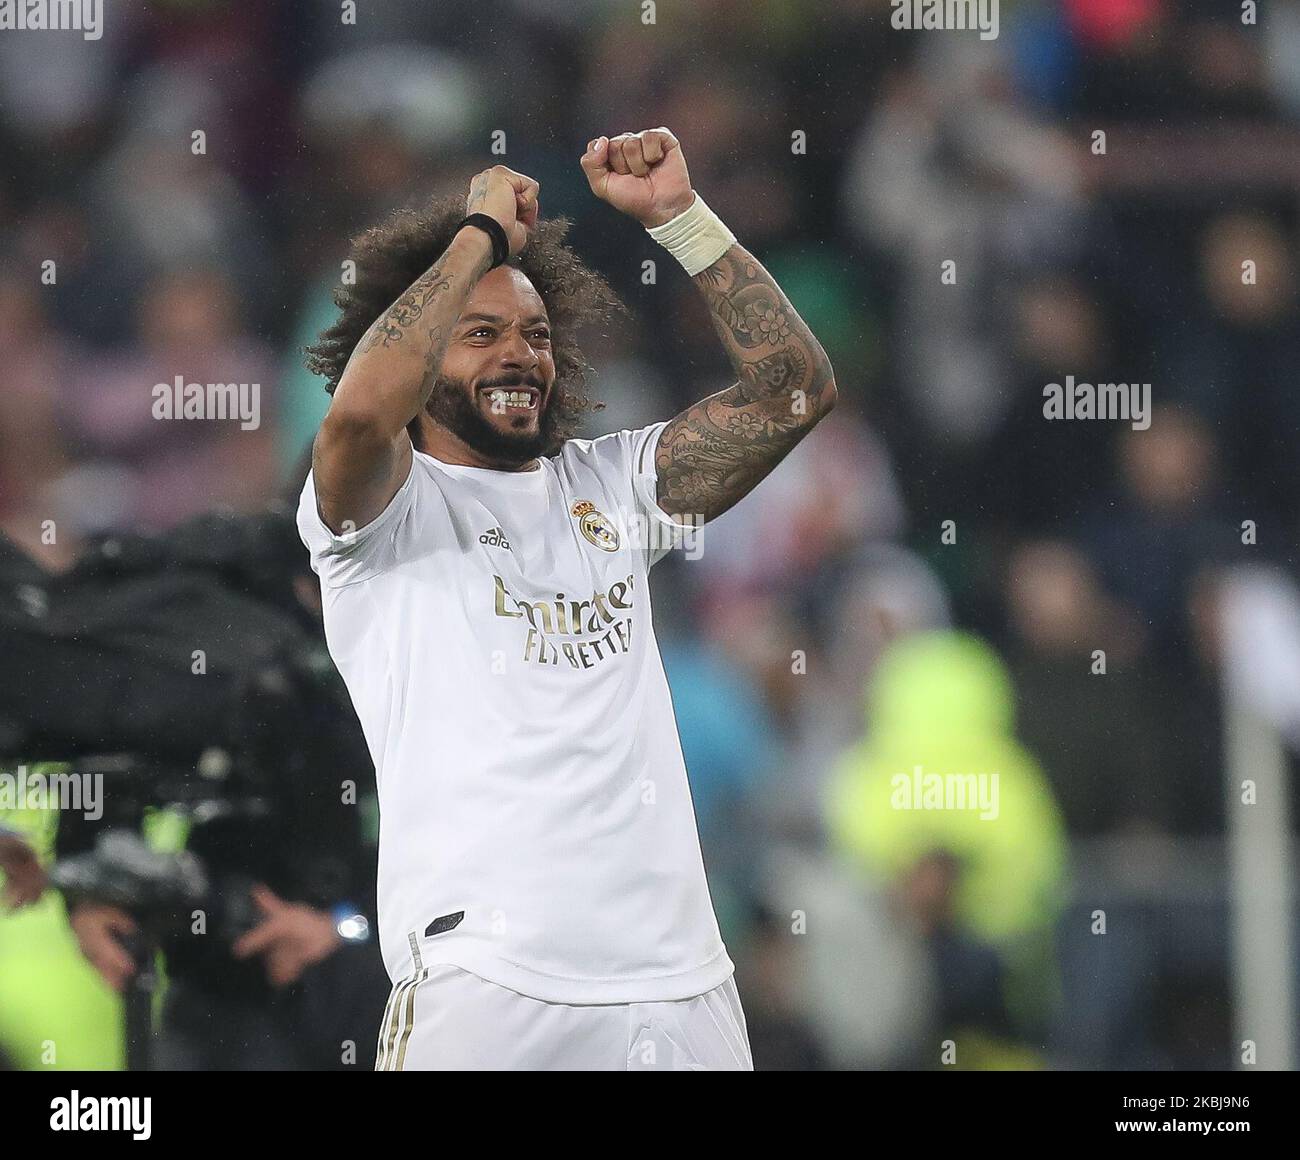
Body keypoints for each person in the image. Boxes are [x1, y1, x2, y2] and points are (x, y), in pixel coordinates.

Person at [297, 128, 837, 1070]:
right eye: (482, 333)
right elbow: (356, 416)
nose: (520, 355)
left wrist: (682, 219)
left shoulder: (613, 488)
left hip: (683, 988)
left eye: (537, 334)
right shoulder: (380, 517)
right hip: (487, 982)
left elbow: (795, 393)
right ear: (423, 358)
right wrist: (476, 237)